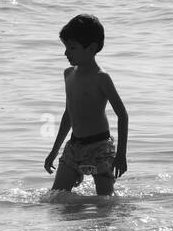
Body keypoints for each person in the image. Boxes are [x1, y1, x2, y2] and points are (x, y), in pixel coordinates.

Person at [44, 14, 128, 196]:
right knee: (57, 198)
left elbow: (122, 114)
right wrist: (54, 151)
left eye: (72, 48)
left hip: (100, 147)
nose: (66, 53)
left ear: (91, 48)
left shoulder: (101, 78)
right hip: (74, 147)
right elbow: (69, 115)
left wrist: (121, 155)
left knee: (105, 204)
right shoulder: (68, 75)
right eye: (65, 47)